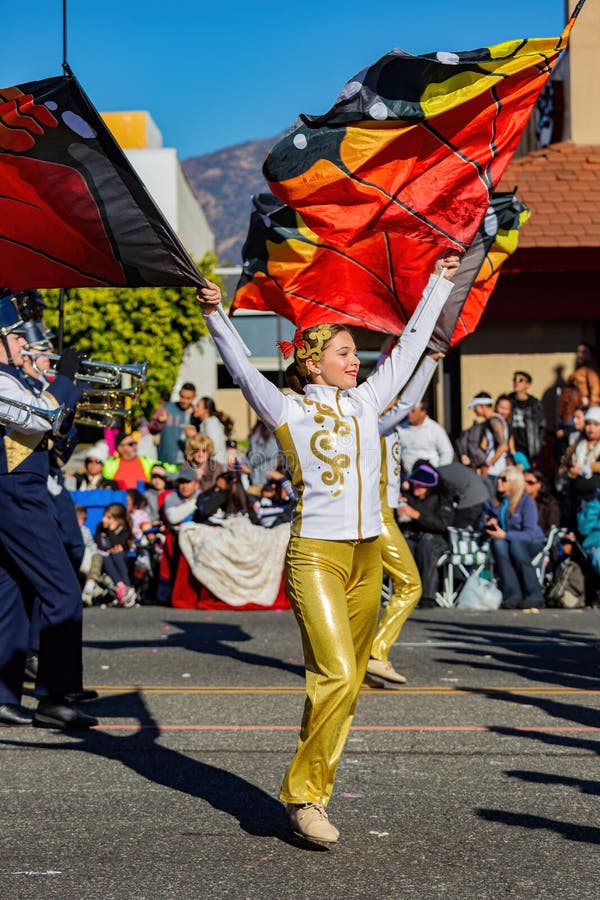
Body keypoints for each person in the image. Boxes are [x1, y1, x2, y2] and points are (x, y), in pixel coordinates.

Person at [196, 252, 458, 845]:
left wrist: (440, 282)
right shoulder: (284, 407)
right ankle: (303, 797)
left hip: (369, 555)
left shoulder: (367, 402)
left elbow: (411, 345)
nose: (355, 360)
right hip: (316, 553)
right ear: (312, 362)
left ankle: (317, 791)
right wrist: (216, 317)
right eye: (343, 352)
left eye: (355, 353)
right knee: (337, 672)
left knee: (349, 681)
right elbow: (240, 367)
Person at [0, 293, 96, 729]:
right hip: (16, 491)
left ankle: (3, 696)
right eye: (14, 337)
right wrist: (65, 381)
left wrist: (65, 400)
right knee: (62, 592)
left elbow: (52, 431)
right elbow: (37, 419)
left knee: (14, 594)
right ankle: (54, 698)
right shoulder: (3, 381)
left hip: (21, 487)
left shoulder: (16, 379)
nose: (24, 343)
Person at [366, 356, 438, 686]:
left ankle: (357, 664)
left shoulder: (389, 426)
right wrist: (432, 359)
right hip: (377, 516)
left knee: (364, 594)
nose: (398, 398)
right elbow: (409, 398)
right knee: (410, 585)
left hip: (383, 512)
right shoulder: (374, 422)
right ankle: (377, 653)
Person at [480, 466, 545, 609]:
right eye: (498, 478)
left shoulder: (526, 502)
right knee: (499, 545)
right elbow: (481, 522)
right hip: (505, 541)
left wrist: (505, 534)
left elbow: (530, 533)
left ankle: (534, 594)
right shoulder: (493, 502)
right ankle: (513, 595)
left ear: (514, 483)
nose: (499, 482)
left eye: (504, 480)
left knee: (516, 545)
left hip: (530, 542)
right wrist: (488, 523)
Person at [398, 461, 455, 605]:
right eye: (414, 483)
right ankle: (406, 592)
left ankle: (428, 596)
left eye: (420, 484)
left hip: (437, 540)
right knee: (405, 546)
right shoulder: (409, 498)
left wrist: (416, 515)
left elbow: (442, 524)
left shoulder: (442, 499)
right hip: (415, 537)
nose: (416, 487)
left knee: (427, 545)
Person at [94, 502, 137, 607]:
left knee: (116, 556)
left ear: (117, 520)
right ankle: (123, 588)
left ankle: (126, 587)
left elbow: (118, 544)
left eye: (109, 518)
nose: (104, 519)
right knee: (106, 557)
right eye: (104, 516)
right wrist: (109, 549)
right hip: (106, 555)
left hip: (121, 557)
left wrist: (111, 531)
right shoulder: (100, 527)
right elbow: (99, 542)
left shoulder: (124, 529)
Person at [398, 399, 454, 473]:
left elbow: (447, 452)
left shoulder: (435, 429)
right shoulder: (399, 429)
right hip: (407, 477)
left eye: (413, 411)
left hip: (431, 477)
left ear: (423, 412)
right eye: (408, 410)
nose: (409, 414)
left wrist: (440, 473)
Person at [103, 430, 172, 490]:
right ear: (119, 448)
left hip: (142, 501)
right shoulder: (110, 464)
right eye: (130, 444)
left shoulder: (146, 462)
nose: (134, 446)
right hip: (119, 501)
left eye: (135, 443)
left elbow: (171, 469)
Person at [147, 382, 196, 465]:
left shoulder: (195, 414)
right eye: (182, 397)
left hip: (186, 464)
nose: (184, 401)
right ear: (179, 394)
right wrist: (159, 421)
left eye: (188, 398)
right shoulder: (167, 407)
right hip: (165, 460)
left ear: (194, 397)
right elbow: (151, 429)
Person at [509, 371, 546, 466]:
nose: (516, 383)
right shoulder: (508, 401)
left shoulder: (534, 404)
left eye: (520, 380)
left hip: (529, 447)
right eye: (515, 380)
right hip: (512, 447)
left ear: (528, 385)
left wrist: (539, 450)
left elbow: (542, 427)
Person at [190, 396, 228, 466]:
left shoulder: (211, 423)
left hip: (216, 467)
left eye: (198, 406)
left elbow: (214, 447)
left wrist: (194, 437)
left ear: (206, 410)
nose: (194, 408)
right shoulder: (206, 423)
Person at [523, 470, 561, 535]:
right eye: (523, 482)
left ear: (539, 484)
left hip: (540, 539)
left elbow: (553, 527)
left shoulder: (549, 503)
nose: (525, 485)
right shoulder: (517, 500)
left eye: (530, 482)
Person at [247, 419, 281, 486]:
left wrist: (252, 463)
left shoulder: (271, 431)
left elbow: (270, 452)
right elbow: (250, 450)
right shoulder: (258, 428)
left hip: (266, 474)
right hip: (254, 473)